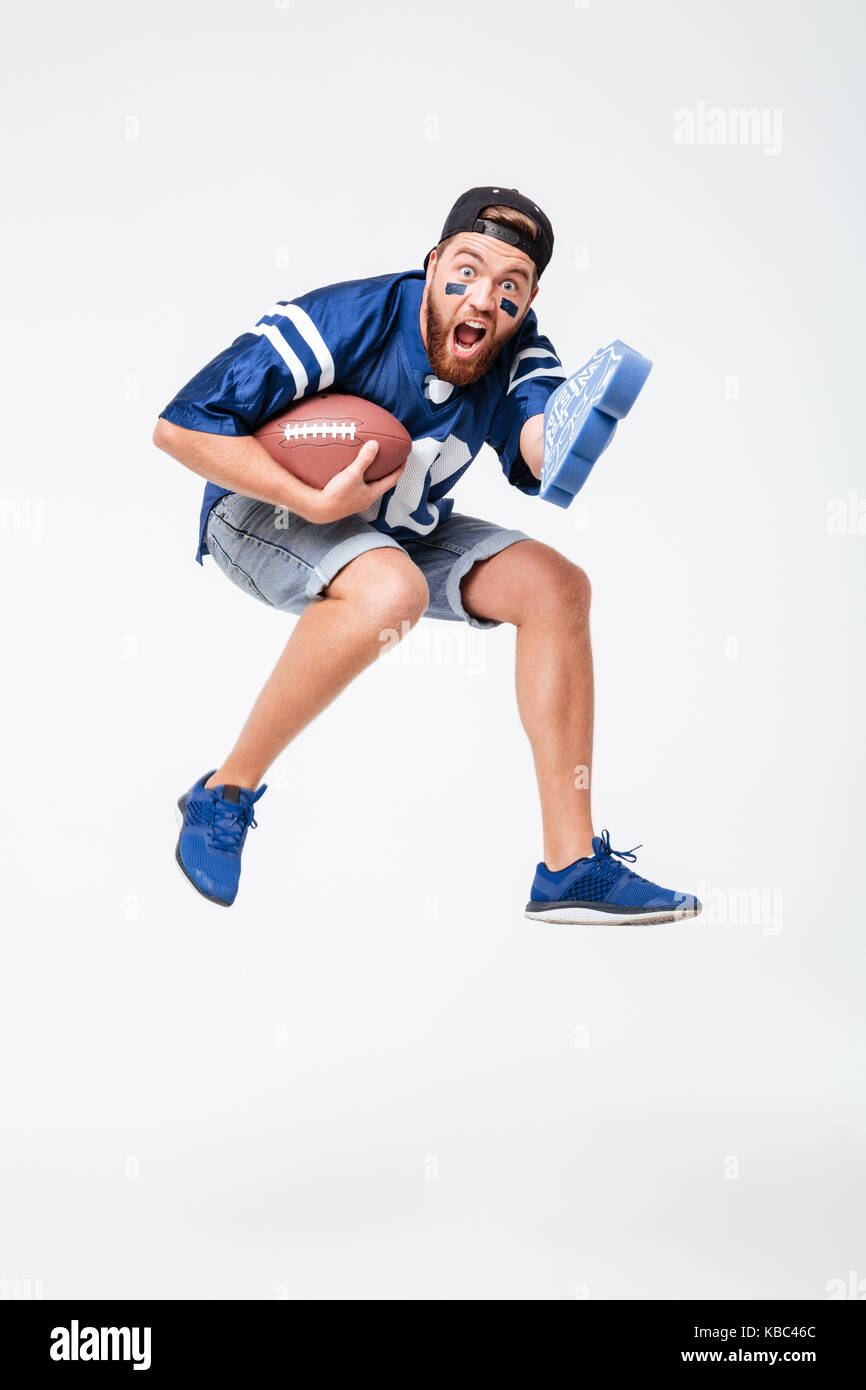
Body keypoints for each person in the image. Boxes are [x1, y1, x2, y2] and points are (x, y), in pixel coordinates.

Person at [154, 185, 701, 924]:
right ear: (434, 261)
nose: (484, 299)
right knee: (392, 591)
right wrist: (313, 500)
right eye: (468, 272)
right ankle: (224, 794)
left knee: (556, 586)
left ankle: (570, 869)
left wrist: (579, 420)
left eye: (510, 287)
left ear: (531, 296)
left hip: (395, 527)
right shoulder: (345, 319)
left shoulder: (516, 346)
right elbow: (181, 429)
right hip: (262, 512)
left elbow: (539, 453)